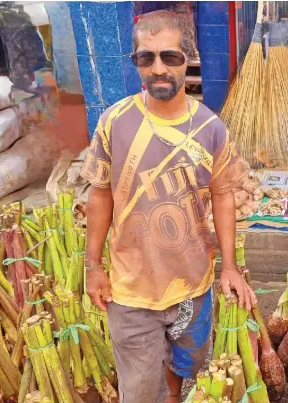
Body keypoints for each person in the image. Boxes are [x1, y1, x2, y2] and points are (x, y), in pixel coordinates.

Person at [80, 10, 256, 403]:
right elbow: (100, 193)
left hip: (192, 286)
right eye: (147, 58)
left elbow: (223, 194)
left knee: (184, 371)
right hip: (131, 290)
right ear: (136, 63)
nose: (158, 68)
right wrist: (92, 267)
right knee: (140, 392)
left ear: (188, 58)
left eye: (169, 57)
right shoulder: (114, 121)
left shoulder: (211, 128)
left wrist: (228, 266)